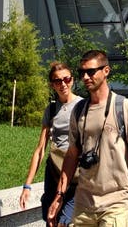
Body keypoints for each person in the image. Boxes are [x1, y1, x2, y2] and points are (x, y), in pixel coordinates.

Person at [47, 49, 128, 227]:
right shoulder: (78, 111)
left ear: (106, 71)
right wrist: (59, 196)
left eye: (91, 72)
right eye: (82, 73)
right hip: (84, 203)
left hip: (116, 202)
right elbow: (71, 156)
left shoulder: (123, 107)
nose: (85, 77)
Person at [20, 62, 82, 226]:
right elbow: (40, 149)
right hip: (53, 171)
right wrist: (27, 185)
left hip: (75, 175)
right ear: (52, 85)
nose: (63, 84)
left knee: (63, 222)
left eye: (66, 79)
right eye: (57, 81)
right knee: (51, 220)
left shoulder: (83, 106)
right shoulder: (52, 109)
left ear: (72, 80)